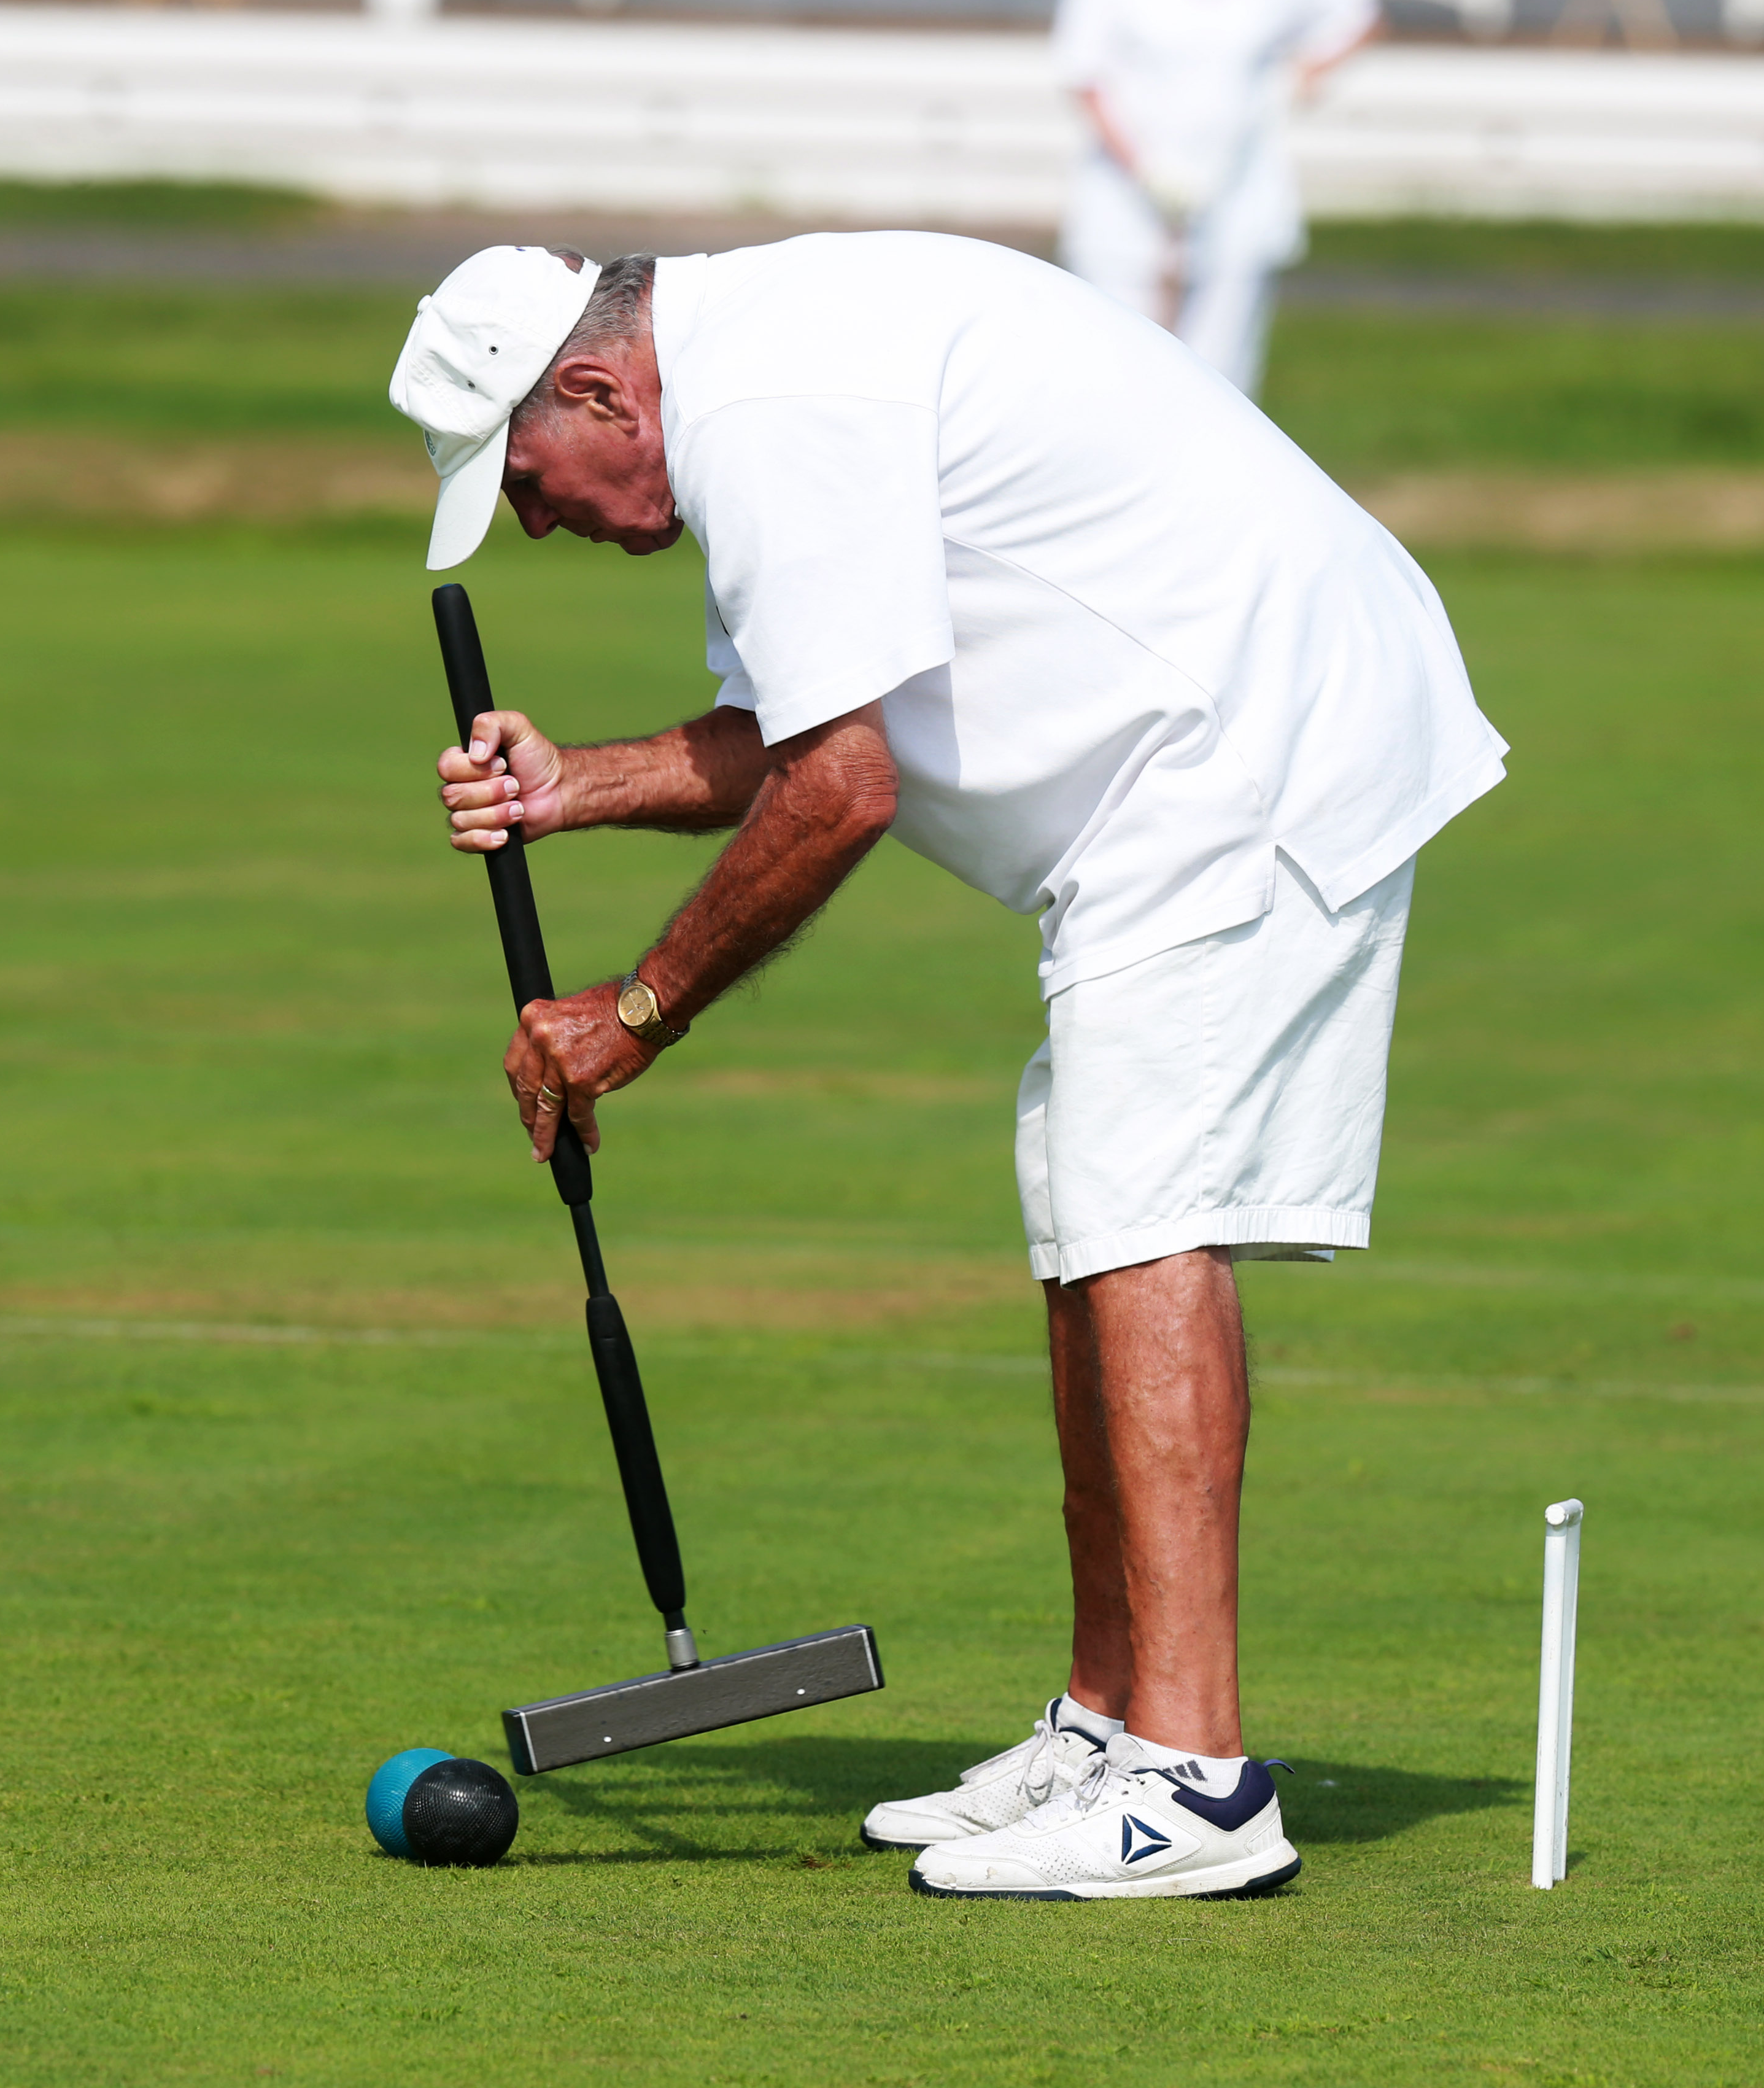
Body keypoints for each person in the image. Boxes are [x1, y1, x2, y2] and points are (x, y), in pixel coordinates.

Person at [387, 236, 1504, 1901]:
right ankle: (1113, 1727)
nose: (536, 524)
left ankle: (1197, 1784)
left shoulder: (770, 404)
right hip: (1183, 776)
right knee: (1089, 1213)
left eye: (529, 480)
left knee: (1140, 1218)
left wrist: (635, 1012)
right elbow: (805, 734)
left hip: (1245, 745)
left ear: (601, 389)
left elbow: (841, 792)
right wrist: (577, 786)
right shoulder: (756, 378)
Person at [1051, 0, 1379, 397]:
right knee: (1118, 369)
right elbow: (1084, 76)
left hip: (1238, 195)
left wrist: (1300, 77)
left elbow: (1360, 15)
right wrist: (1148, 172)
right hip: (1126, 203)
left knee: (1222, 377)